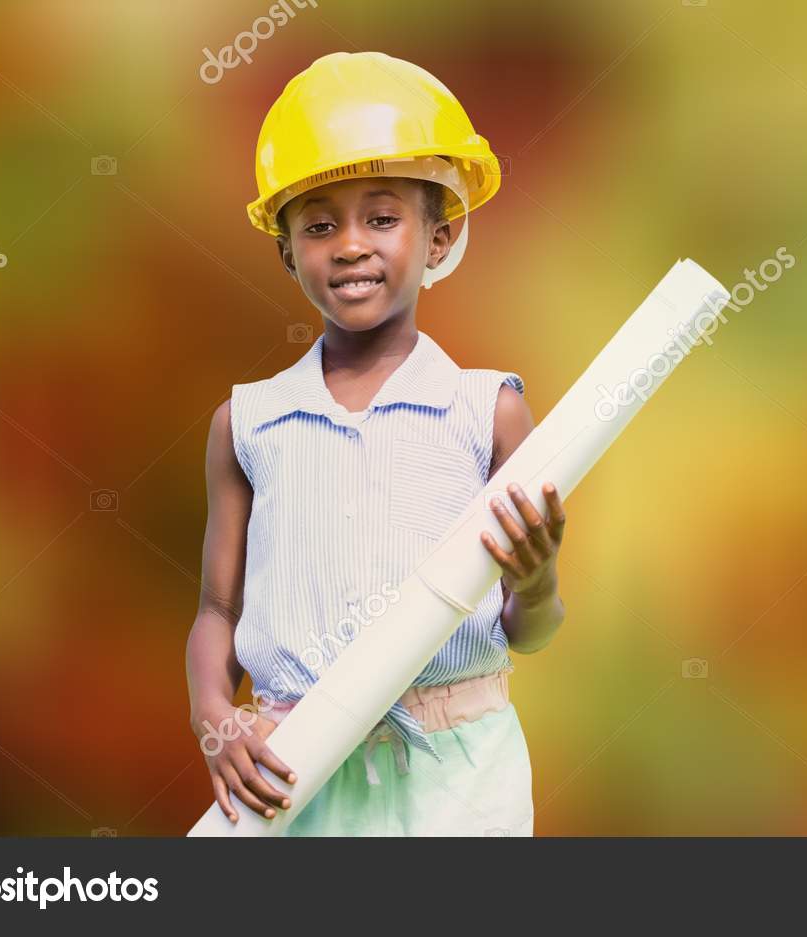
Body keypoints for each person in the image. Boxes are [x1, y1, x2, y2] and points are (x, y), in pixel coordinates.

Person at [184, 51, 566, 836]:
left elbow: (534, 629)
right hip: (300, 773)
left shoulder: (488, 412)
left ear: (438, 237)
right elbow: (217, 608)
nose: (351, 244)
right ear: (287, 249)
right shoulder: (247, 423)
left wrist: (538, 580)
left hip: (462, 778)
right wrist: (216, 718)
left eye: (382, 217)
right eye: (320, 224)